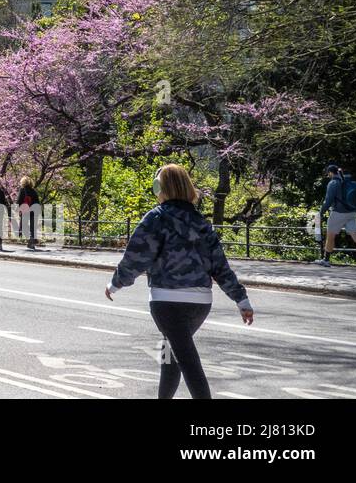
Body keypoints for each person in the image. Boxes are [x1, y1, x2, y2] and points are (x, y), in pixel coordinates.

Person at [105, 163, 254, 399]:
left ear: (159, 188)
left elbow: (136, 257)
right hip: (200, 304)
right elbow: (220, 267)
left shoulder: (156, 218)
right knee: (170, 353)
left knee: (187, 361)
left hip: (167, 302)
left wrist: (115, 283)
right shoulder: (202, 223)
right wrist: (242, 300)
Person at [317, 164, 356, 267]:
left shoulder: (333, 183)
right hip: (351, 213)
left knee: (330, 236)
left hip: (338, 213)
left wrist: (320, 213)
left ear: (331, 172)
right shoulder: (352, 183)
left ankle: (326, 260)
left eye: (328, 173)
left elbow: (328, 201)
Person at [16, 176, 41, 250]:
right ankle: (32, 243)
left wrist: (18, 209)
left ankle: (30, 240)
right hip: (34, 211)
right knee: (33, 228)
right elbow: (37, 202)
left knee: (24, 226)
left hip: (25, 211)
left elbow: (19, 201)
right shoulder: (34, 191)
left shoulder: (22, 190)